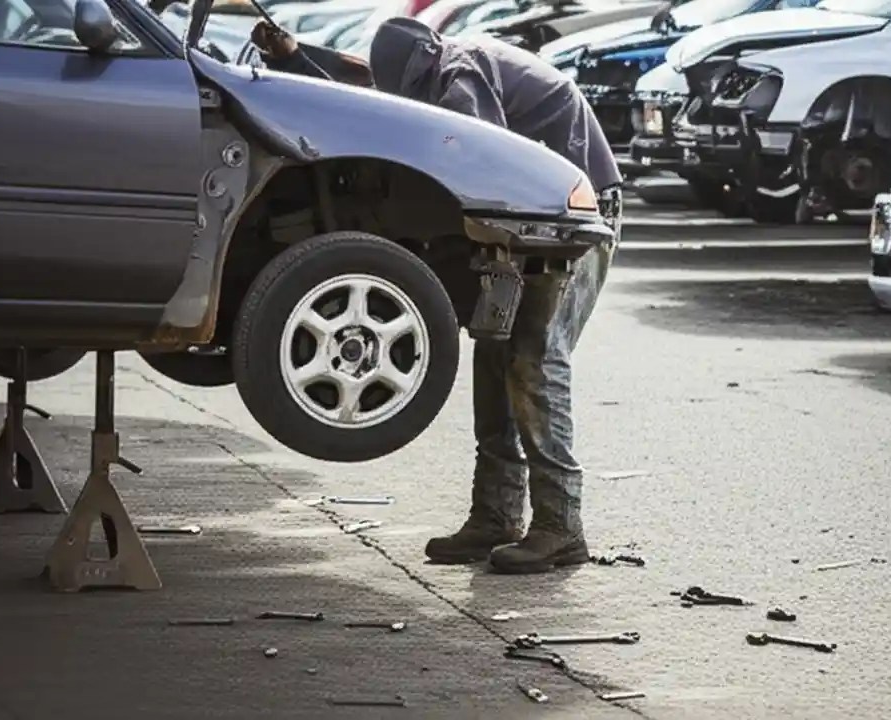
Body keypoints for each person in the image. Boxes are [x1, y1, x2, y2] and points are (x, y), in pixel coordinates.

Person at [254, 17, 624, 574]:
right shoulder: (437, 63)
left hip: (575, 221)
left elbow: (481, 154)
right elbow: (360, 87)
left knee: (533, 359)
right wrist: (292, 56)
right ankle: (496, 517)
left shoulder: (458, 74)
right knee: (496, 355)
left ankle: (560, 526)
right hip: (536, 219)